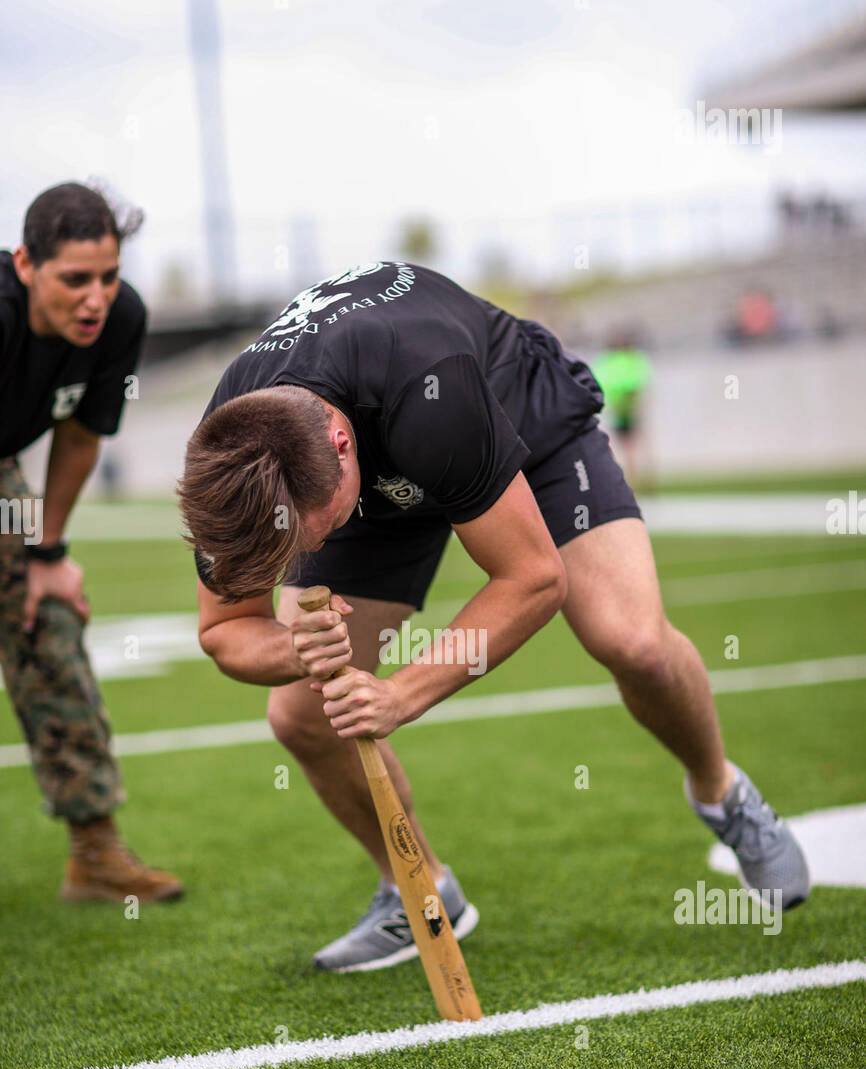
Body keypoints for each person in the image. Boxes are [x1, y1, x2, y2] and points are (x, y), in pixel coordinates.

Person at [179, 260, 808, 971]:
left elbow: (535, 580)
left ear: (339, 442)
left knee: (631, 641)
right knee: (300, 714)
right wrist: (297, 652)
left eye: (310, 535)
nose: (308, 558)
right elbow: (224, 631)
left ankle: (721, 791)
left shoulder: (424, 384)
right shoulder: (232, 458)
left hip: (514, 425)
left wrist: (401, 693)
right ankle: (418, 888)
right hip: (375, 484)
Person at [0, 182, 182, 902]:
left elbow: (81, 435)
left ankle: (95, 853)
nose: (96, 297)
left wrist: (47, 555)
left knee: (49, 623)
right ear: (25, 266)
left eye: (107, 276)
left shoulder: (119, 318)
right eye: (75, 279)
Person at [592, 331, 652, 488]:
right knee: (627, 445)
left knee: (630, 445)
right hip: (622, 408)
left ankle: (636, 477)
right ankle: (633, 478)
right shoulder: (628, 360)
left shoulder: (623, 361)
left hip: (625, 407)